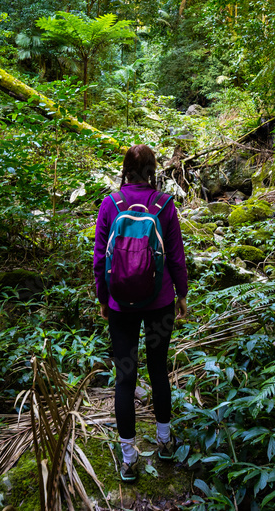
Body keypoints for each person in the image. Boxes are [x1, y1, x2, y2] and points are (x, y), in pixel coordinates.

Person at [92, 144, 189, 482]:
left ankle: (128, 459)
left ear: (126, 170)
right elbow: (175, 256)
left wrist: (103, 298)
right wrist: (182, 294)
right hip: (160, 302)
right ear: (151, 170)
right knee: (158, 369)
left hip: (120, 305)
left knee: (125, 378)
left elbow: (100, 260)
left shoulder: (110, 204)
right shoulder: (164, 205)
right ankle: (164, 443)